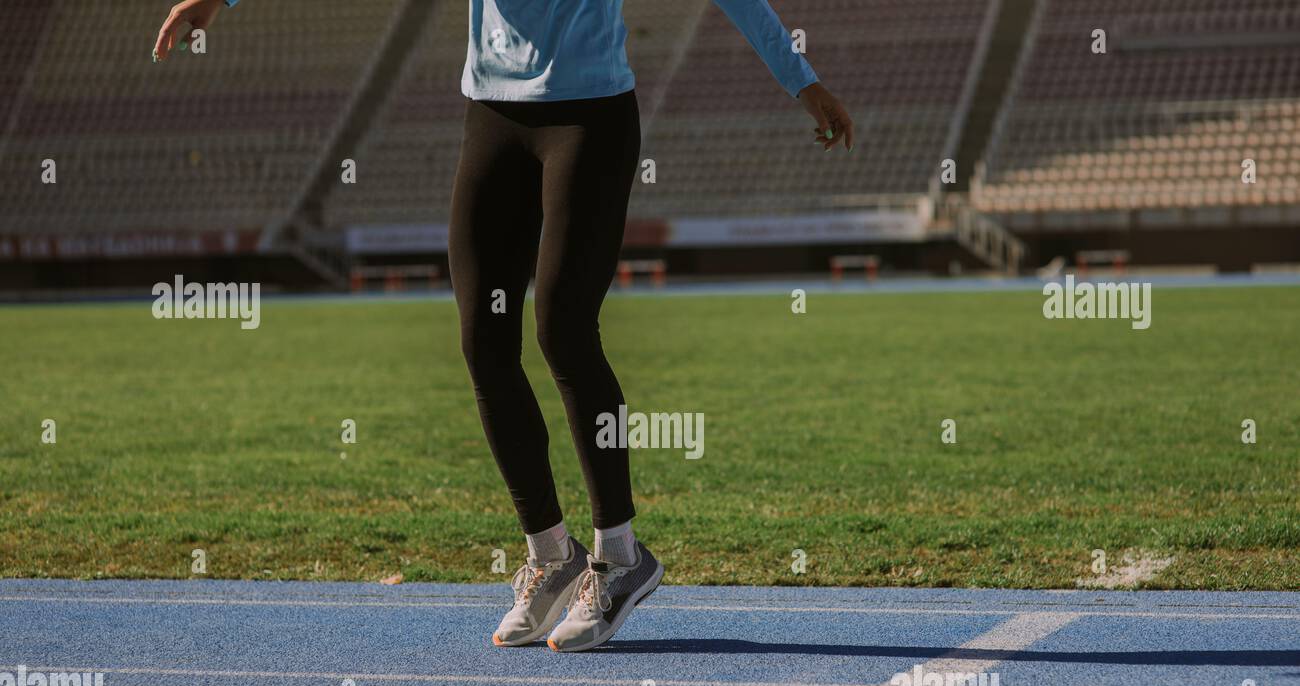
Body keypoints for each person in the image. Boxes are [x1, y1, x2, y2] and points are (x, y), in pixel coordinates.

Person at [153, 0, 853, 652]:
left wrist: (803, 81)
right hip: (493, 117)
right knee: (484, 342)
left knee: (563, 327)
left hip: (590, 117)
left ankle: (619, 556)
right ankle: (551, 553)